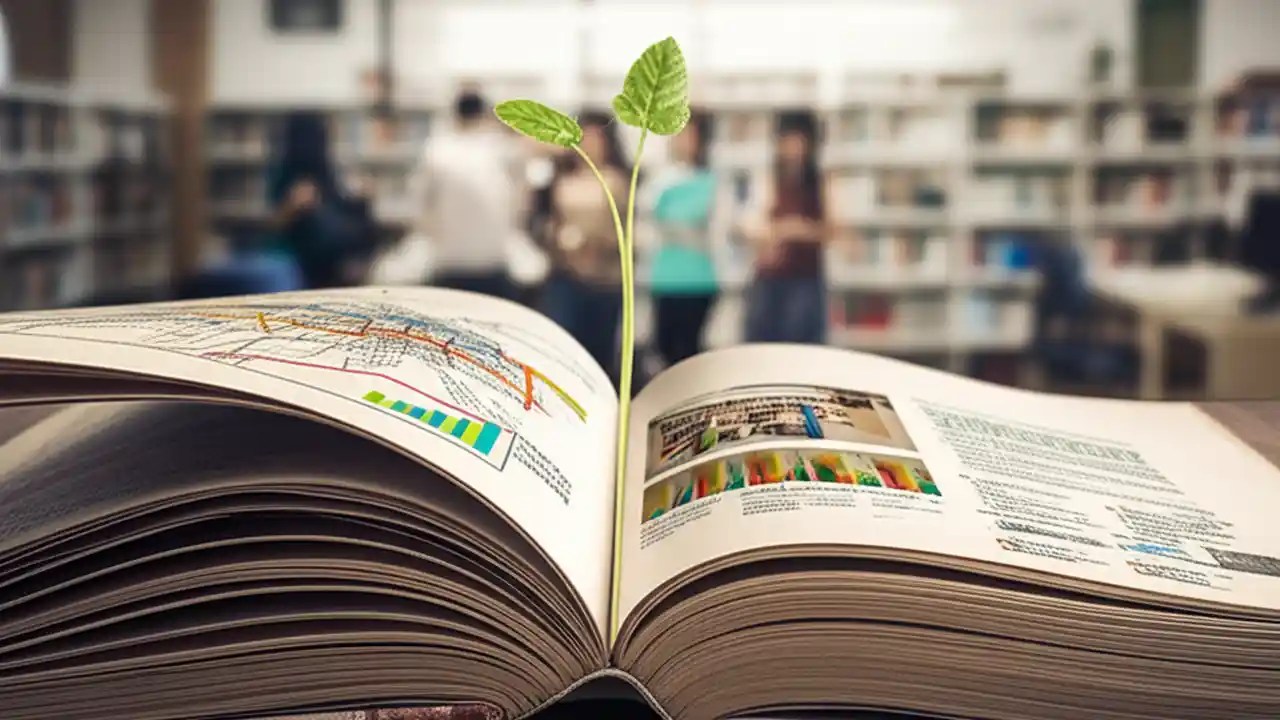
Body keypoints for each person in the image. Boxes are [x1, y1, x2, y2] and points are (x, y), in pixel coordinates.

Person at [537, 112, 630, 383]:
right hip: (566, 276)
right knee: (562, 352)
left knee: (599, 357)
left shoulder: (617, 182)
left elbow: (626, 231)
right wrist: (558, 239)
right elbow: (544, 224)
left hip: (604, 279)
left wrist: (596, 242)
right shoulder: (560, 180)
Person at [411, 89, 522, 301]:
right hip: (493, 261)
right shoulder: (502, 150)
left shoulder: (436, 150)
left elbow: (421, 207)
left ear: (454, 115)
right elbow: (520, 201)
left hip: (450, 262)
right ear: (483, 115)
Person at [641, 110, 722, 368]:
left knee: (689, 354)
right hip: (665, 278)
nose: (684, 141)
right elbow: (646, 222)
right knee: (663, 350)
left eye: (690, 135)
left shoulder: (711, 182)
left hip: (698, 279)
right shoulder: (658, 181)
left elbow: (718, 229)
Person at [744, 112, 830, 344]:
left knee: (800, 346)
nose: (793, 149)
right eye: (788, 141)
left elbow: (833, 229)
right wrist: (773, 232)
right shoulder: (768, 178)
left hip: (805, 278)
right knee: (762, 343)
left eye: (799, 142)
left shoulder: (819, 182)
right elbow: (753, 226)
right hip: (769, 278)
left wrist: (799, 230)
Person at [267, 111, 377, 289]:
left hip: (333, 242)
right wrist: (292, 205)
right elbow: (274, 226)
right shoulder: (284, 174)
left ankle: (356, 267)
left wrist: (360, 197)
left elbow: (339, 205)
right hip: (304, 250)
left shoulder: (326, 170)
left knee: (361, 213)